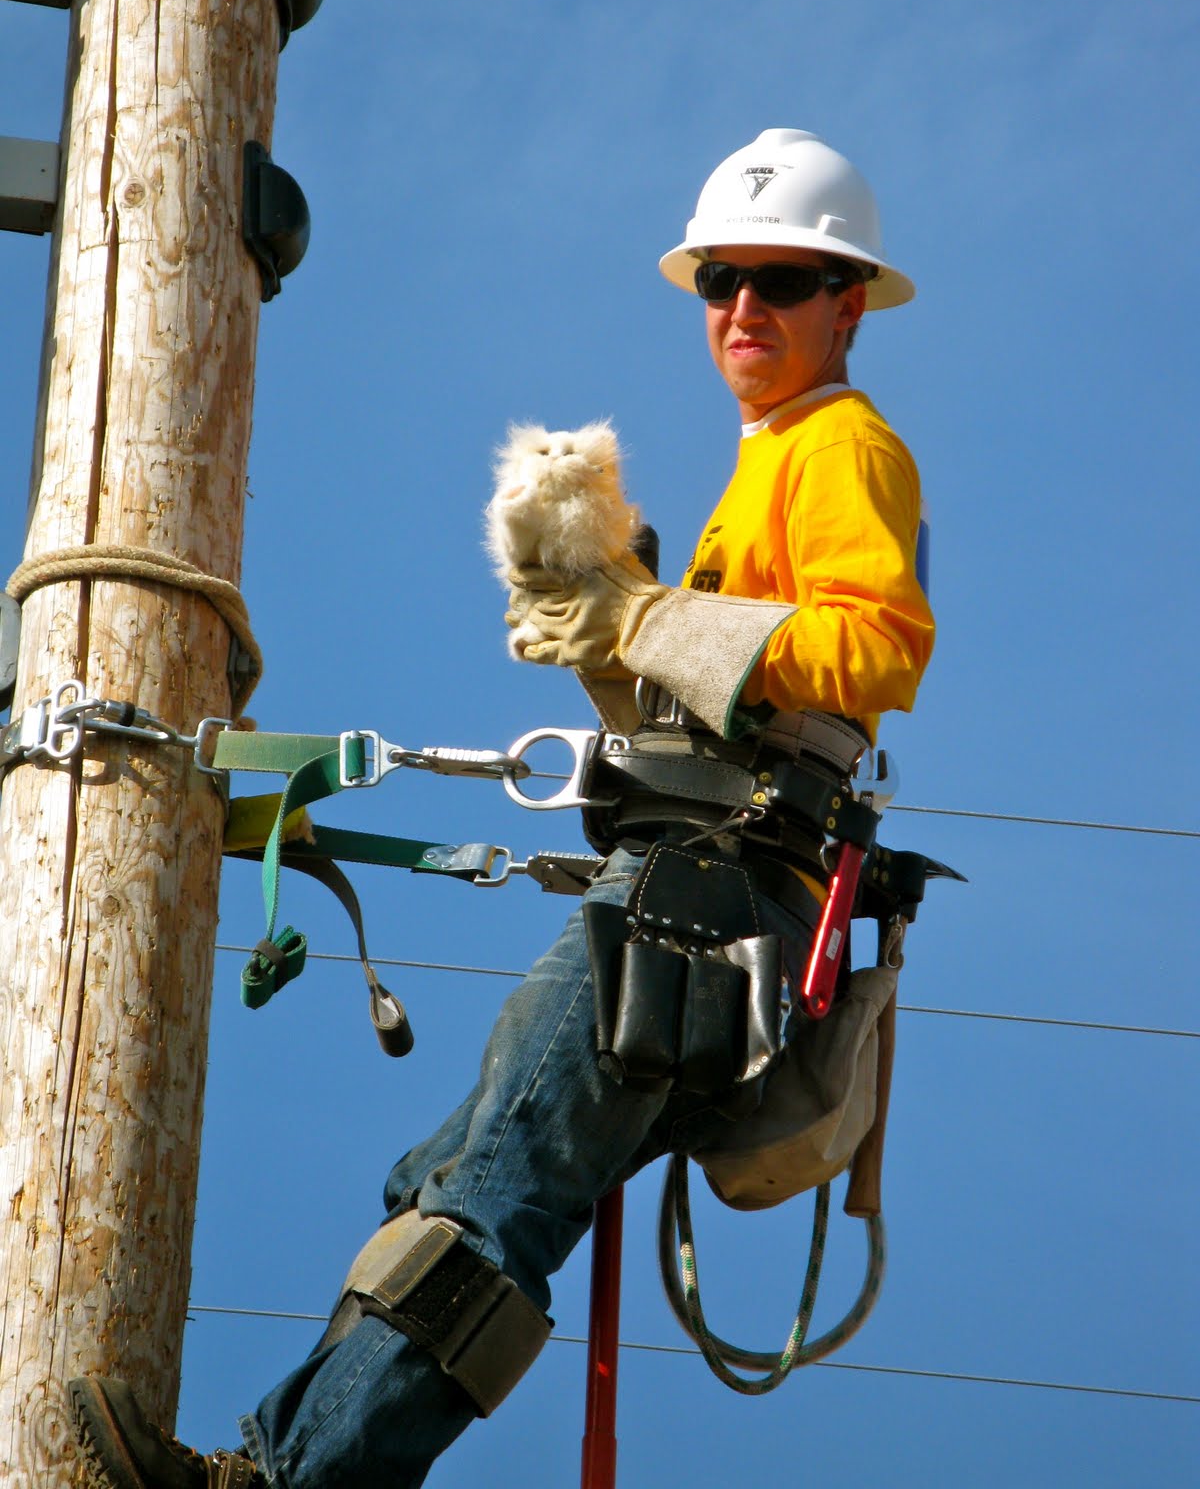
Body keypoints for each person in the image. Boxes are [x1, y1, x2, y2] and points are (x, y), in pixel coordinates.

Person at [70, 128, 935, 1489]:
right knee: (448, 1178)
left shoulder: (842, 448)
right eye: (722, 280)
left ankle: (280, 1486)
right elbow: (720, 709)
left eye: (780, 279)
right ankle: (277, 1463)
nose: (745, 310)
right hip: (681, 881)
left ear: (848, 305)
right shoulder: (772, 461)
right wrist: (609, 627)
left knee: (490, 1197)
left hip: (704, 899)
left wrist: (649, 614)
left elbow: (878, 649)